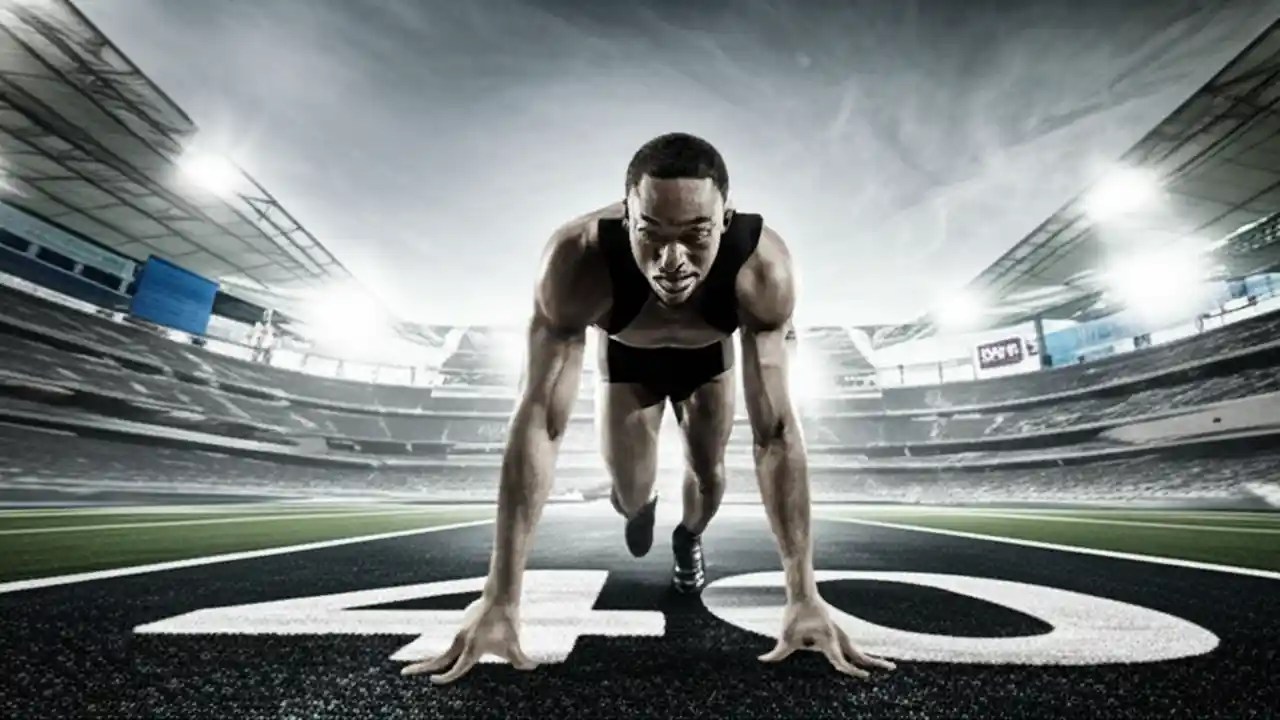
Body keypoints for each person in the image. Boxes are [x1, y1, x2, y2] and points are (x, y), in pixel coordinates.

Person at [402, 132, 896, 683]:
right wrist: (500, 596)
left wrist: (804, 595)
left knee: (709, 477)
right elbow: (539, 421)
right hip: (627, 363)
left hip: (709, 360)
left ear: (726, 219)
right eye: (651, 235)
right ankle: (643, 505)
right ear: (627, 214)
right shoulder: (577, 263)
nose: (672, 261)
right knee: (630, 493)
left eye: (695, 236)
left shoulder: (763, 268)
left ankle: (687, 537)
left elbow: (776, 432)